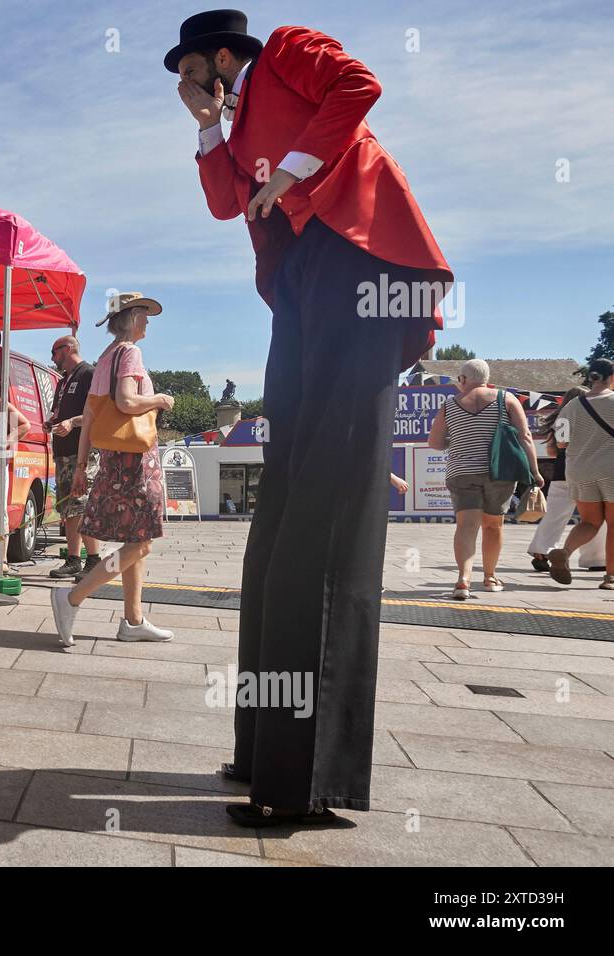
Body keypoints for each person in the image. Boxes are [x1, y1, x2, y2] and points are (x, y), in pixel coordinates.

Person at [170, 10, 455, 826]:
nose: (186, 84)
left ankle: (304, 782)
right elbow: (228, 203)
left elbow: (359, 85)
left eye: (192, 71)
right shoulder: (231, 117)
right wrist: (207, 130)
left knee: (330, 496)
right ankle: (266, 749)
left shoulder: (288, 49)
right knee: (288, 501)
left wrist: (291, 171)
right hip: (300, 279)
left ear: (222, 56)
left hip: (362, 259)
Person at [50, 292, 175, 646]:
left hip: (111, 458)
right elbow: (128, 402)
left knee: (134, 540)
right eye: (145, 315)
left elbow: (89, 417)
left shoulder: (105, 357)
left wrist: (79, 465)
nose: (148, 321)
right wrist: (160, 399)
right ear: (133, 316)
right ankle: (72, 597)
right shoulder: (131, 353)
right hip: (135, 458)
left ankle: (133, 621)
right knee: (142, 544)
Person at [428, 361, 543, 598]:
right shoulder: (507, 399)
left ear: (462, 380)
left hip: (461, 472)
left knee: (466, 526)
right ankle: (489, 577)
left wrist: (458, 439)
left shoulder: (448, 405)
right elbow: (526, 436)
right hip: (498, 472)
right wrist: (535, 471)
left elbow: (435, 443)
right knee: (493, 525)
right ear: (487, 378)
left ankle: (463, 580)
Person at [549, 360, 614, 587]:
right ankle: (610, 577)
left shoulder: (571, 406)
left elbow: (562, 442)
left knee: (589, 522)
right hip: (611, 469)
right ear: (611, 377)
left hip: (579, 470)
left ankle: (565, 552)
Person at [529, 388, 606, 573]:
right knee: (595, 517)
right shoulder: (589, 418)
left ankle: (541, 551)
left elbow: (551, 451)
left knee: (555, 514)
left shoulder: (560, 419)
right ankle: (595, 558)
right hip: (589, 470)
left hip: (562, 472)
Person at [46, 334, 101, 580]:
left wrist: (71, 422)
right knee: (68, 508)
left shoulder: (89, 374)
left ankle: (94, 559)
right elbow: (61, 414)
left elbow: (97, 414)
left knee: (81, 505)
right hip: (63, 452)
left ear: (67, 349)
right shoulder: (63, 381)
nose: (52, 358)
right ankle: (73, 559)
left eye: (54, 352)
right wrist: (54, 422)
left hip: (83, 452)